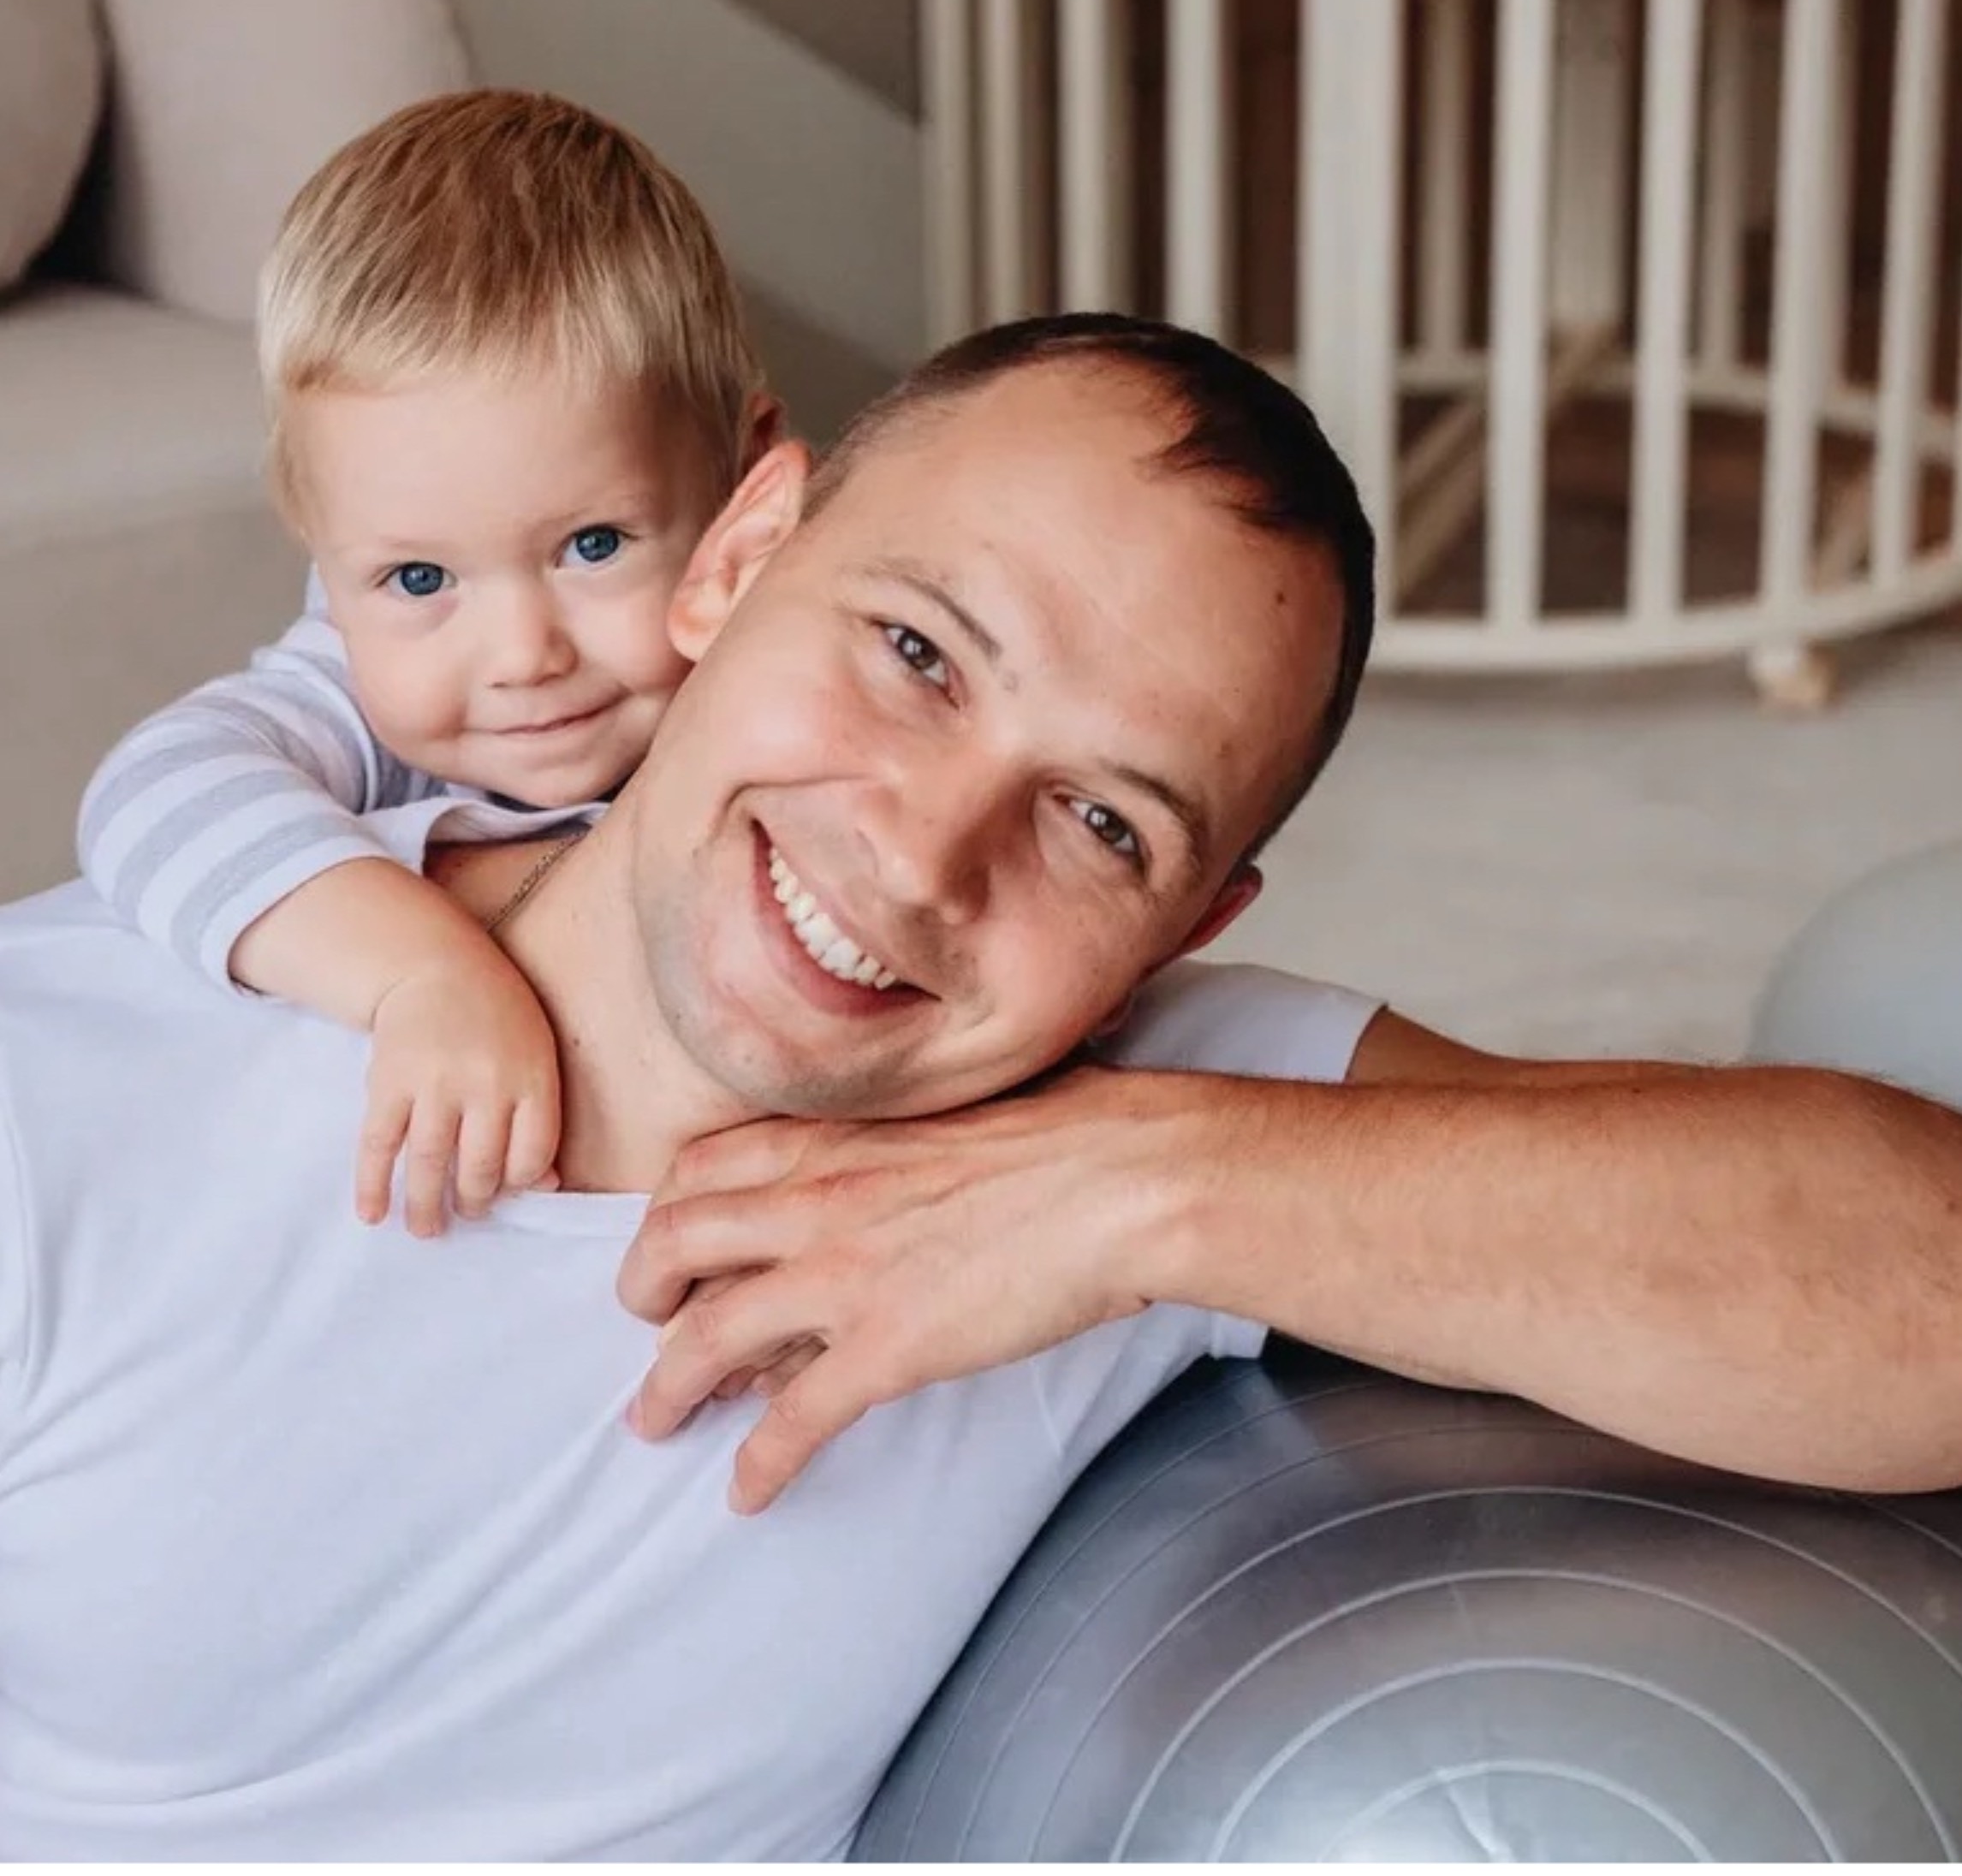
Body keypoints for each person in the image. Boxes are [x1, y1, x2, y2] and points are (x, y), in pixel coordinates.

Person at [4, 318, 1960, 1859]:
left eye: (1105, 825)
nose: (927, 857)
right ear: (739, 559)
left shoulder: (1144, 1119)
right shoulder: (87, 1074)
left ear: (1194, 921)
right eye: (916, 654)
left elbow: (1925, 1283)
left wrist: (1140, 1197)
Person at [75, 89, 778, 1235]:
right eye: (417, 579)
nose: (523, 656)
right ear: (320, 542)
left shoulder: (799, 678)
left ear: (746, 488)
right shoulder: (353, 692)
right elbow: (152, 795)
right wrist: (426, 974)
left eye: (593, 546)